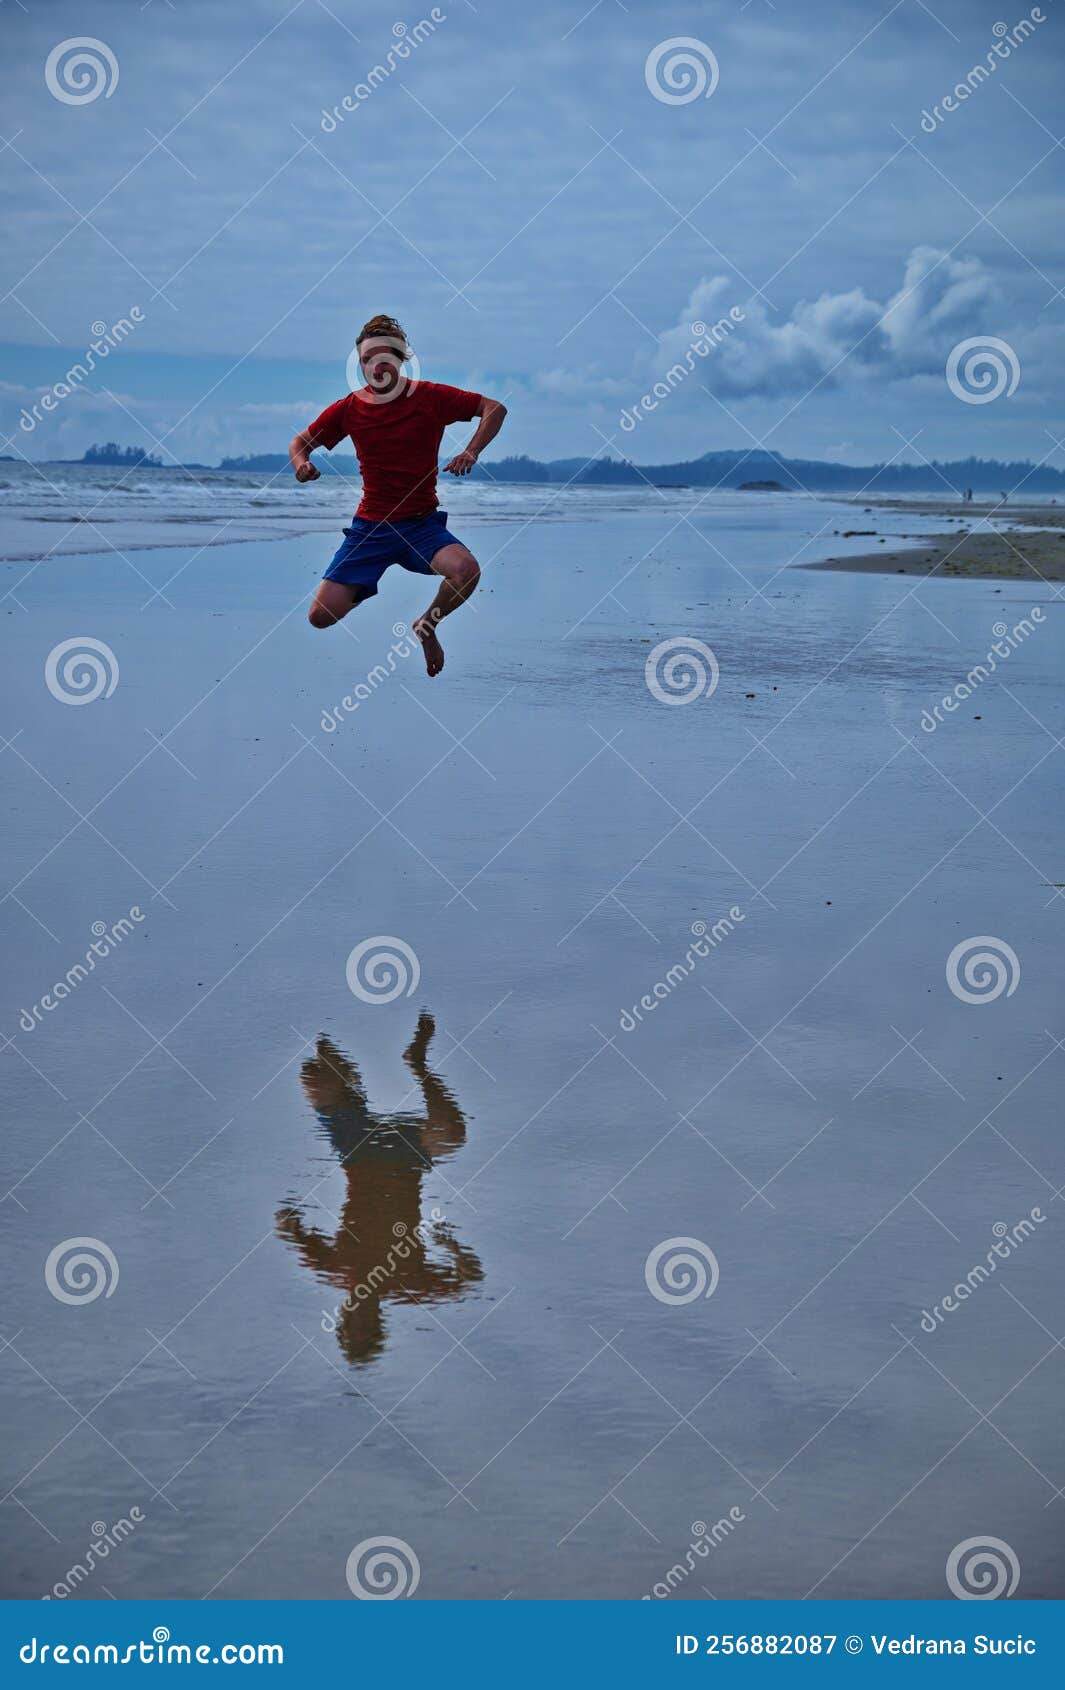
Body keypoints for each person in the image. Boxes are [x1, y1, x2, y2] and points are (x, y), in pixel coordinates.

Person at [289, 313, 507, 676]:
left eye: (383, 358)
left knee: (466, 571)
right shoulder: (349, 409)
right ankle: (364, 578)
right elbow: (300, 443)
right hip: (370, 529)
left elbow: (494, 408)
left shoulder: (430, 397)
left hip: (421, 527)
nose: (375, 367)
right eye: (366, 360)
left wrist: (471, 451)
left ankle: (427, 625)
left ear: (400, 358)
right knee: (320, 617)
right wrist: (301, 464)